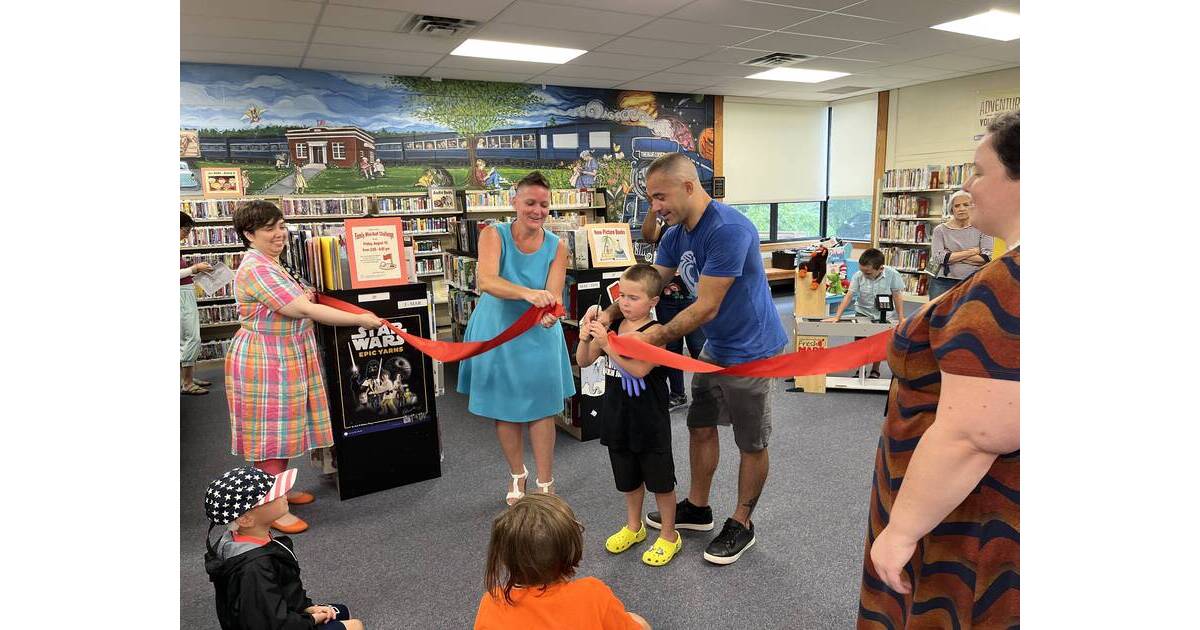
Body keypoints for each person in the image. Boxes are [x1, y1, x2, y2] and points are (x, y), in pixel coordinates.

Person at [582, 152, 788, 566]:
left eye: (660, 197)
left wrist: (649, 339)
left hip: (752, 349)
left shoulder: (728, 230)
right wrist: (608, 314)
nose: (655, 207)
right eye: (651, 198)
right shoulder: (675, 235)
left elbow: (706, 306)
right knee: (700, 426)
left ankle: (742, 522)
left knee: (750, 441)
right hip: (715, 347)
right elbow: (648, 286)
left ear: (689, 187)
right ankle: (698, 506)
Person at [858, 110, 1020, 628]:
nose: (968, 187)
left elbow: (973, 435)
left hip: (970, 515)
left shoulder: (1006, 287)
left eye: (980, 171)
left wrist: (902, 530)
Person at [226, 200, 386, 533]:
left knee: (284, 428)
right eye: (269, 229)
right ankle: (269, 507)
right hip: (268, 357)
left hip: (285, 352)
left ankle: (278, 492)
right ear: (249, 234)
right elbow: (302, 309)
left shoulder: (271, 261)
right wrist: (360, 318)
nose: (279, 234)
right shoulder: (257, 267)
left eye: (281, 226)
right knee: (271, 433)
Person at [457, 172, 575, 505]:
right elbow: (487, 280)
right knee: (504, 407)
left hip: (538, 334)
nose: (538, 211)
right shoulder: (493, 234)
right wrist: (528, 294)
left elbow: (553, 294)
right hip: (498, 332)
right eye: (530, 203)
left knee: (543, 409)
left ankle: (545, 482)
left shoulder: (558, 246)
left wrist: (550, 312)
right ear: (514, 202)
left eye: (544, 205)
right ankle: (517, 473)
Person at [576, 264, 682, 567]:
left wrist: (608, 345)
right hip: (618, 417)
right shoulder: (615, 328)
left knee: (660, 482)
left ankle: (669, 535)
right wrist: (586, 338)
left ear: (653, 301)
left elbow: (638, 370)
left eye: (634, 298)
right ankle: (634, 527)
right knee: (628, 479)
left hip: (649, 421)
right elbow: (583, 361)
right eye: (622, 295)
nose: (625, 303)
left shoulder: (656, 333)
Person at [204, 466, 366, 630]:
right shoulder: (255, 567)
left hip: (276, 615)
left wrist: (307, 608)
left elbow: (280, 591)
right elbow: (273, 623)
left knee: (341, 611)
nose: (283, 494)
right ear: (246, 519)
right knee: (355, 626)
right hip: (276, 624)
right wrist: (312, 619)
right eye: (273, 496)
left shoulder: (242, 540)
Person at [474, 494, 651, 630]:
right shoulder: (593, 594)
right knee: (638, 621)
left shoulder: (492, 602)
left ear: (505, 558)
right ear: (571, 550)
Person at [641, 207, 706, 409]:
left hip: (693, 298)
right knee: (672, 348)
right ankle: (678, 393)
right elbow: (648, 235)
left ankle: (707, 395)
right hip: (666, 297)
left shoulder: (695, 229)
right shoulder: (665, 227)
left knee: (698, 347)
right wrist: (652, 210)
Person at [824, 248, 907, 379]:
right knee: (860, 342)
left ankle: (875, 370)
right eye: (862, 271)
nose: (864, 275)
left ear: (880, 268)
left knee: (880, 343)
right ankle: (860, 370)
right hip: (862, 311)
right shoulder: (858, 275)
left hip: (884, 315)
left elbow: (897, 296)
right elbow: (849, 295)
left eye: (868, 273)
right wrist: (837, 316)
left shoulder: (893, 275)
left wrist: (901, 317)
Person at [928, 190, 994, 300]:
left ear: (973, 207)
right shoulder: (940, 230)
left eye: (966, 205)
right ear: (951, 209)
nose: (961, 208)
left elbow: (987, 258)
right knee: (937, 310)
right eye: (957, 206)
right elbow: (938, 258)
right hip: (942, 281)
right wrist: (972, 252)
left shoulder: (983, 228)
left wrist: (950, 255)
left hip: (973, 280)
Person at [181, 212, 214, 395]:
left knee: (185, 338)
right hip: (181, 296)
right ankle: (187, 383)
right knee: (192, 337)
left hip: (184, 293)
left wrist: (194, 272)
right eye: (185, 229)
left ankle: (186, 378)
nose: (187, 234)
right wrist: (194, 269)